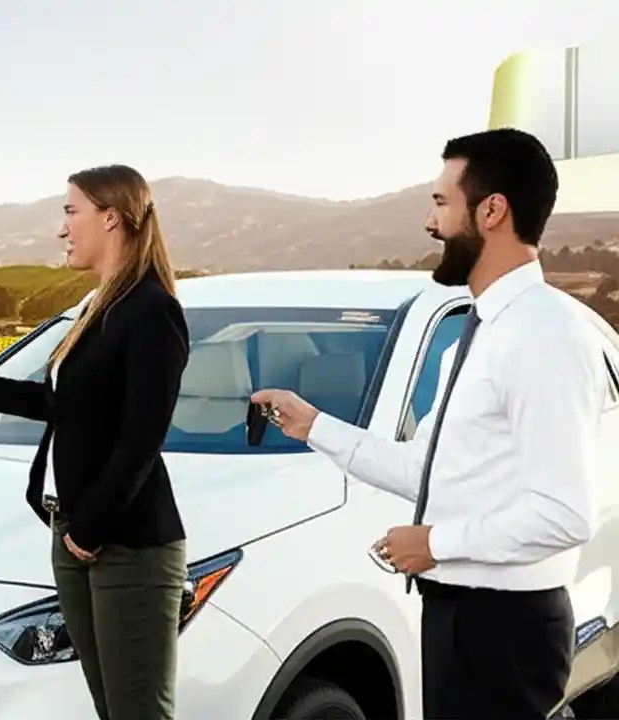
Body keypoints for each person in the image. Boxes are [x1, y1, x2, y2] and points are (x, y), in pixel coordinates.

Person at [252, 128, 605, 719]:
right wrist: (314, 425)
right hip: (460, 616)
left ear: (493, 211)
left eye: (441, 202)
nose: (429, 221)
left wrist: (435, 543)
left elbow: (565, 513)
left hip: (505, 630)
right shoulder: (476, 334)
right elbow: (432, 470)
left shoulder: (546, 336)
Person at [0, 164, 190, 720]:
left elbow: (141, 438)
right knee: (109, 709)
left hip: (126, 546)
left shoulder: (151, 310)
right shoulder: (98, 307)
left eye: (71, 212)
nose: (62, 229)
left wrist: (88, 532)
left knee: (138, 713)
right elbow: (57, 405)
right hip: (76, 534)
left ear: (111, 218)